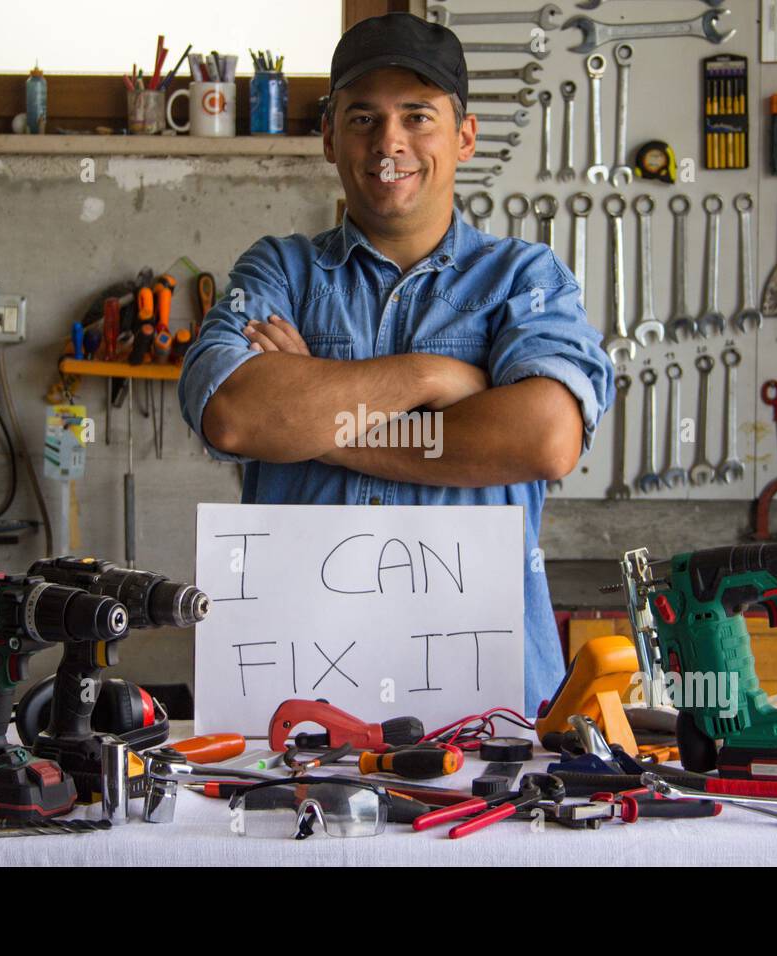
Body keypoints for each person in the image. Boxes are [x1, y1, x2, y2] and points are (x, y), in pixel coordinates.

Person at [179, 13, 613, 714]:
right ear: (328, 137)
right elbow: (233, 413)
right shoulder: (277, 271)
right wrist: (431, 378)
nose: (389, 143)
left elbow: (544, 437)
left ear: (465, 137)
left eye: (418, 116)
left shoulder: (525, 280)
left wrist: (318, 419)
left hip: (488, 710)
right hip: (293, 699)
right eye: (362, 118)